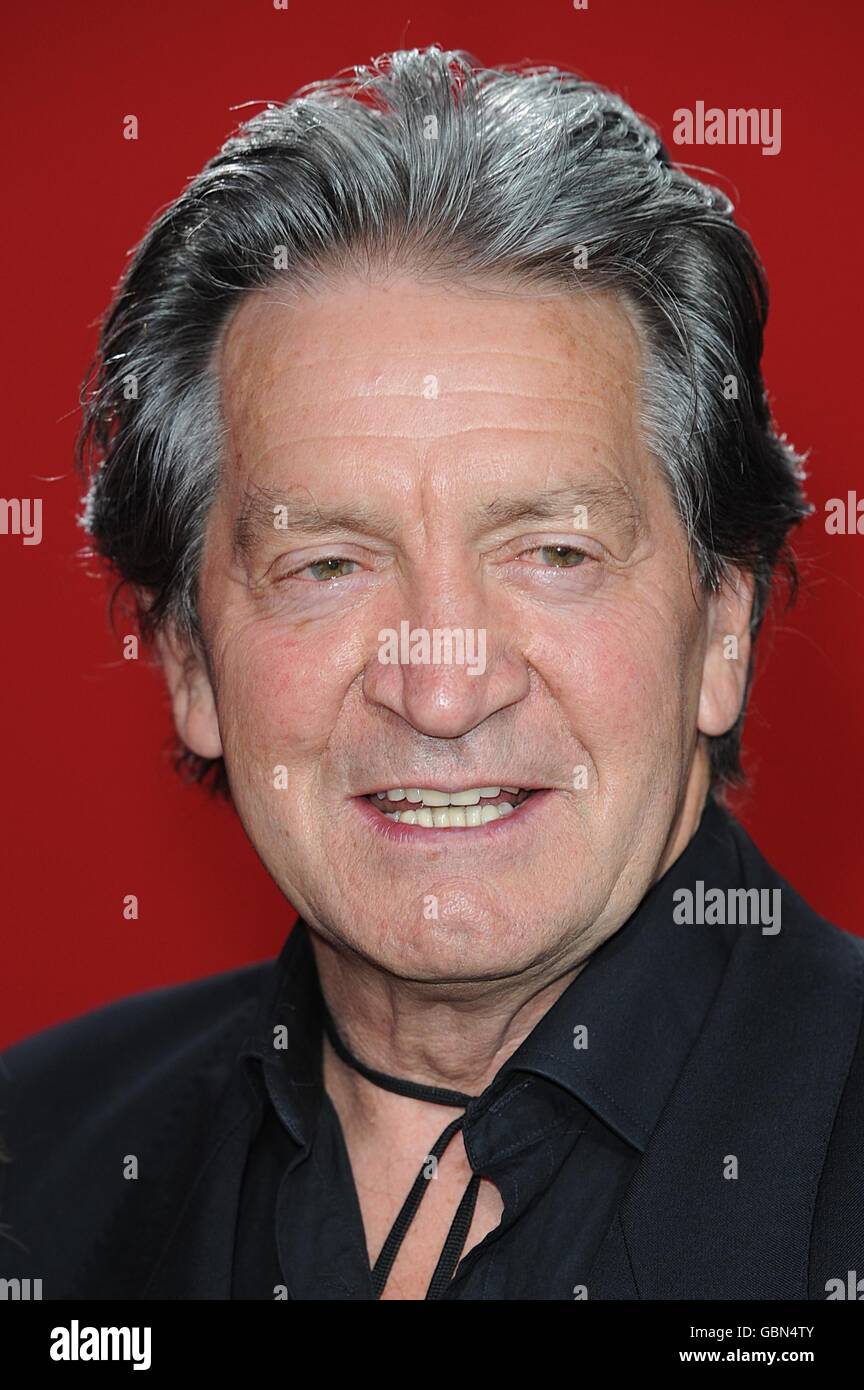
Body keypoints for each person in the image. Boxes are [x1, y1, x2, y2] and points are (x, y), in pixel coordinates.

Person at [1, 46, 861, 1302]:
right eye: (328, 565)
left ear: (721, 626)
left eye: (553, 552)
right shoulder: (34, 1163)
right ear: (188, 656)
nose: (443, 690)